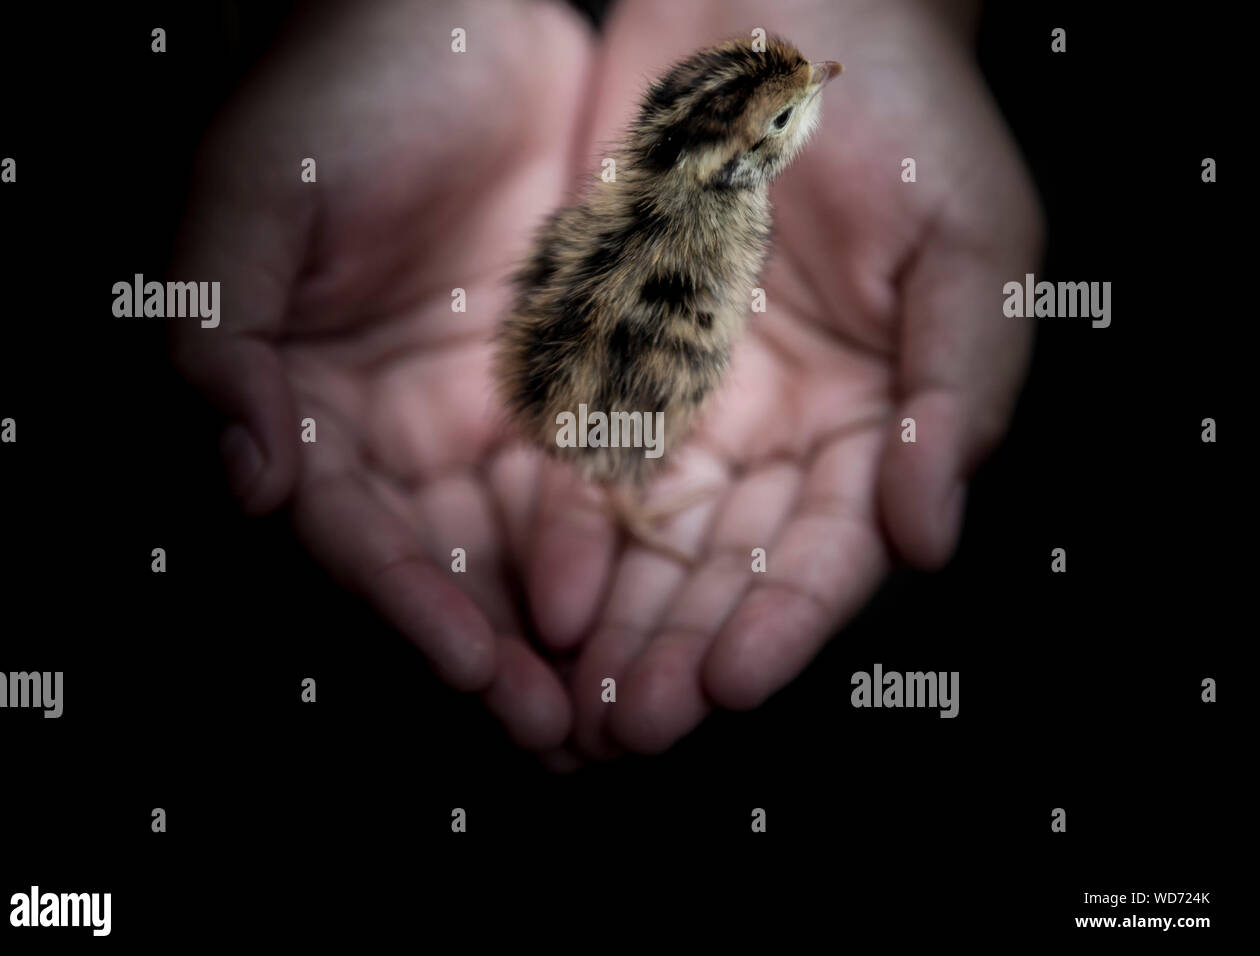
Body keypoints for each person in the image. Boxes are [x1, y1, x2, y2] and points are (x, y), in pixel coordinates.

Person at [169, 0, 1042, 769]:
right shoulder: (703, 235)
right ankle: (615, 485)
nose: (815, 94)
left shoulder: (676, 207)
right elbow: (639, 342)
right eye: (783, 118)